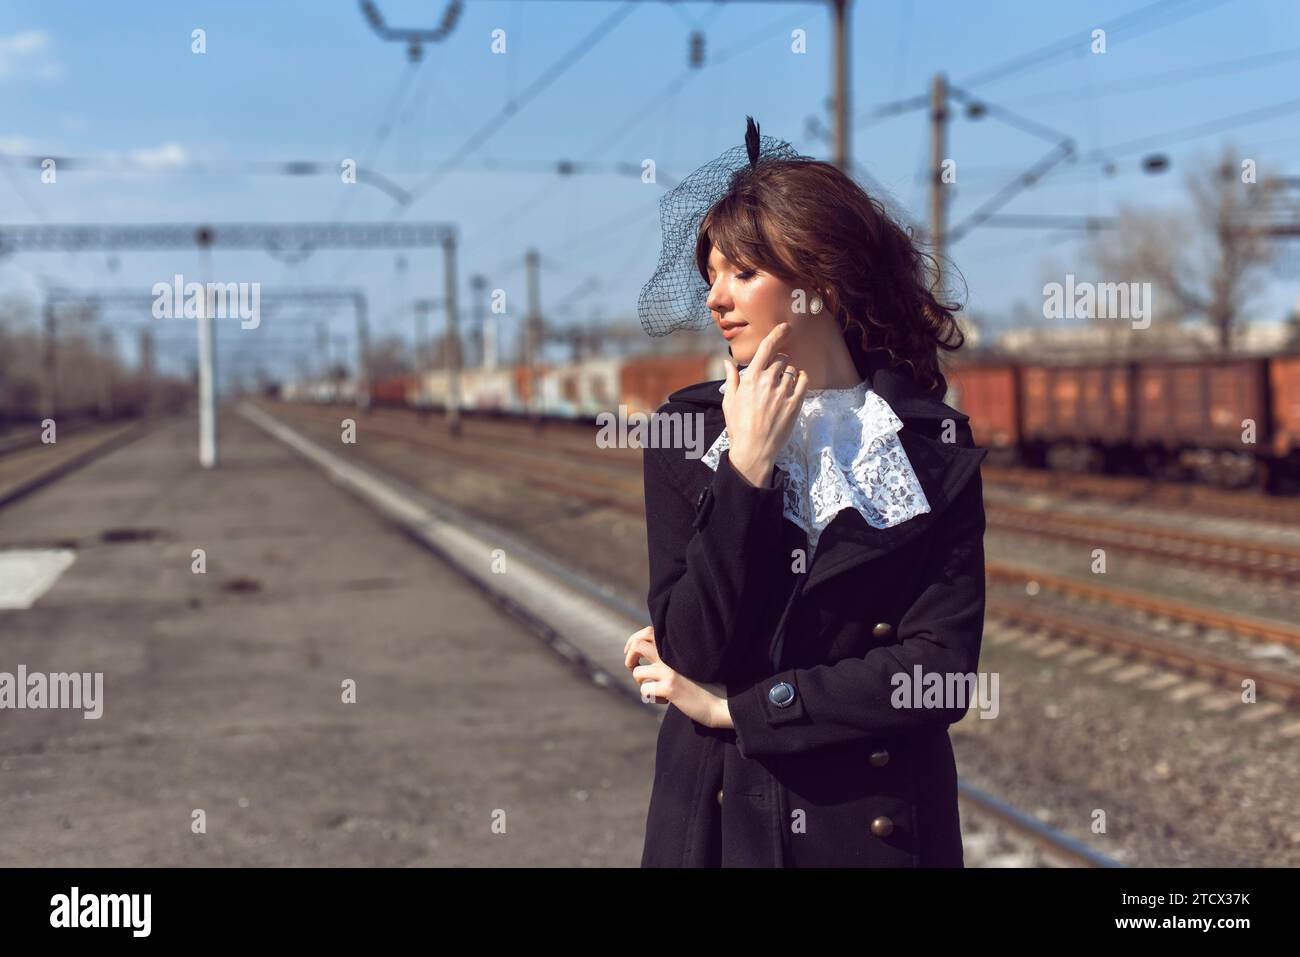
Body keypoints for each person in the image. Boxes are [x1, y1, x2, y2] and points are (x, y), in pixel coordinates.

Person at [624, 117, 989, 867]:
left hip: (876, 830)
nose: (717, 300)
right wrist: (746, 470)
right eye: (712, 276)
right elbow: (692, 645)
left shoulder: (927, 445)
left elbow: (939, 674)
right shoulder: (687, 437)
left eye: (743, 274)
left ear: (818, 280)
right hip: (724, 826)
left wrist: (739, 708)